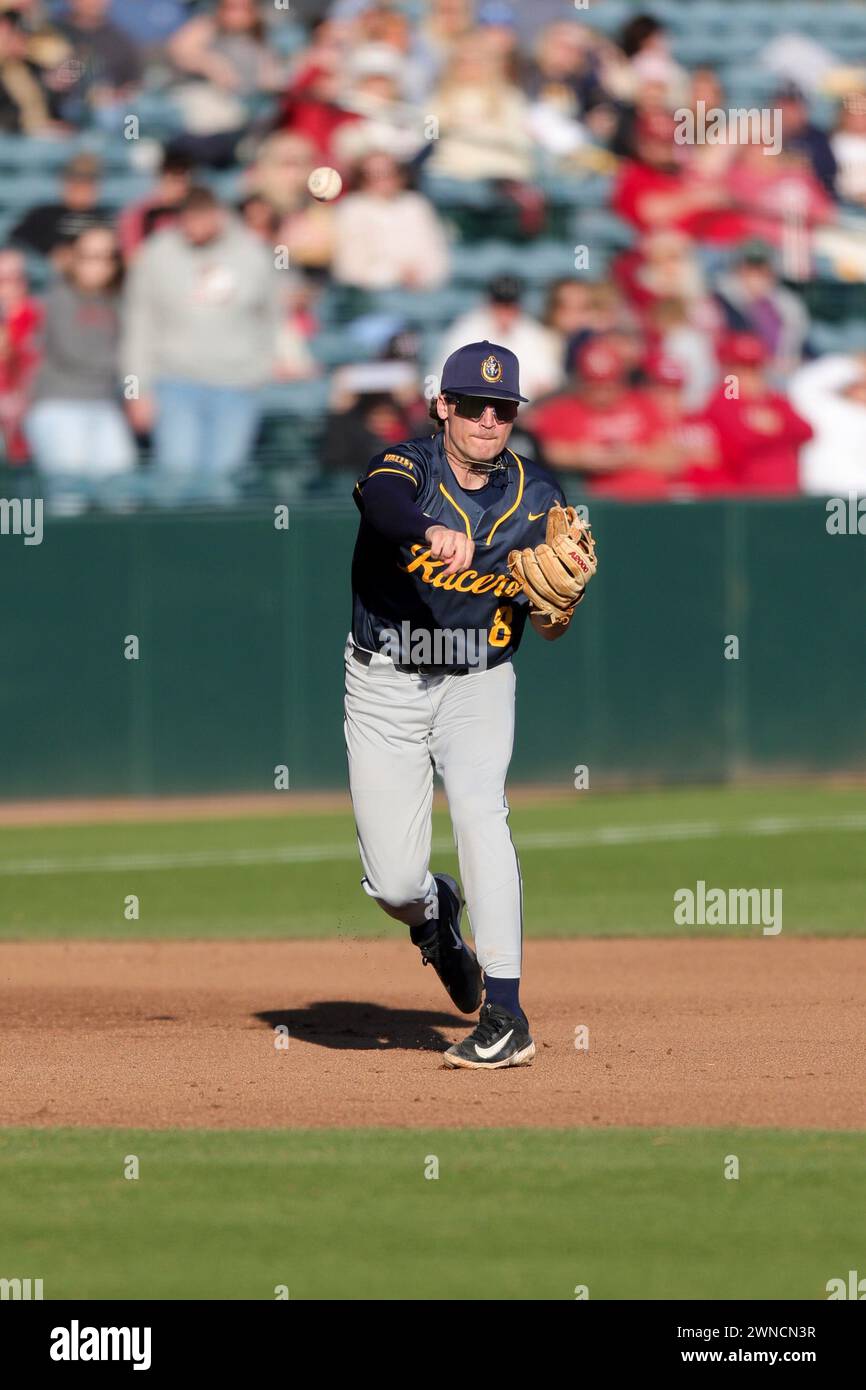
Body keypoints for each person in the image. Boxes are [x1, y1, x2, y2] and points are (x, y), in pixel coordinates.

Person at [345, 340, 592, 1069]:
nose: (490, 418)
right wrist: (429, 531)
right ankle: (433, 918)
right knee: (392, 881)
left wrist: (556, 604)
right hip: (384, 678)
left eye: (504, 408)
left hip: (478, 678)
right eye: (474, 405)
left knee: (483, 811)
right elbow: (383, 507)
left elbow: (548, 616)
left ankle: (506, 1013)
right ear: (443, 406)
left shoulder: (538, 495)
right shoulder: (406, 467)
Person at [121, 186, 280, 501]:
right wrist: (137, 389)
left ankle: (221, 551)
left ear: (217, 215)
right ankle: (173, 551)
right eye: (187, 219)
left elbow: (273, 316)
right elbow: (138, 325)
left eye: (201, 218)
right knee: (176, 477)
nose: (193, 227)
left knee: (223, 482)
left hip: (237, 385)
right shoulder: (157, 253)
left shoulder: (251, 252)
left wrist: (262, 368)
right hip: (175, 381)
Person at [25, 225, 136, 495]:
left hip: (104, 405)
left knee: (121, 490)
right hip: (60, 405)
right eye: (90, 256)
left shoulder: (119, 302)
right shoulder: (58, 297)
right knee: (69, 494)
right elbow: (75, 353)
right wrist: (127, 365)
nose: (99, 266)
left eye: (107, 257)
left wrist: (133, 393)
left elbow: (134, 363)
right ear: (74, 258)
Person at [528, 335, 673, 499]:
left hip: (652, 499)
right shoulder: (562, 410)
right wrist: (583, 456)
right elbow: (544, 450)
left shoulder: (643, 404)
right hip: (597, 503)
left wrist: (631, 456)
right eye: (594, 386)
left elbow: (672, 458)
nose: (602, 394)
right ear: (580, 382)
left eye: (608, 386)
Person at [702, 332, 812, 495]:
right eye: (740, 368)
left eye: (753, 367)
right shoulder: (722, 400)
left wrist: (776, 426)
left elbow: (806, 430)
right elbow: (738, 442)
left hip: (788, 493)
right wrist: (774, 431)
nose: (748, 375)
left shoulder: (774, 399)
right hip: (746, 497)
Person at [331, 151, 449, 291]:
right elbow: (350, 269)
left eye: (388, 173)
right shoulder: (351, 209)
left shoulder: (416, 205)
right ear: (360, 178)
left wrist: (421, 276)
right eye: (372, 175)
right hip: (373, 295)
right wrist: (395, 275)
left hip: (424, 290)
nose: (382, 180)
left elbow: (437, 257)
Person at [436, 274, 562, 403]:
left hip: (522, 414)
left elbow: (549, 386)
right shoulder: (465, 332)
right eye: (500, 304)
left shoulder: (534, 335)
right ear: (489, 302)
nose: (505, 311)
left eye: (510, 304)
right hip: (473, 411)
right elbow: (441, 383)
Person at [788, 353, 866, 497]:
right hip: (821, 494)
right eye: (860, 384)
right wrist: (855, 366)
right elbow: (804, 383)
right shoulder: (822, 406)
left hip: (861, 498)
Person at [10, 152, 109, 263]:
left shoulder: (104, 220)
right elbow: (17, 242)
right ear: (65, 184)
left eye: (87, 182)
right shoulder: (42, 216)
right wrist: (53, 254)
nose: (81, 189)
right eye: (76, 182)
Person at [116, 146, 194, 262]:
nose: (180, 187)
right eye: (174, 180)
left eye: (184, 181)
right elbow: (132, 259)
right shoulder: (137, 215)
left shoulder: (193, 213)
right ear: (160, 178)